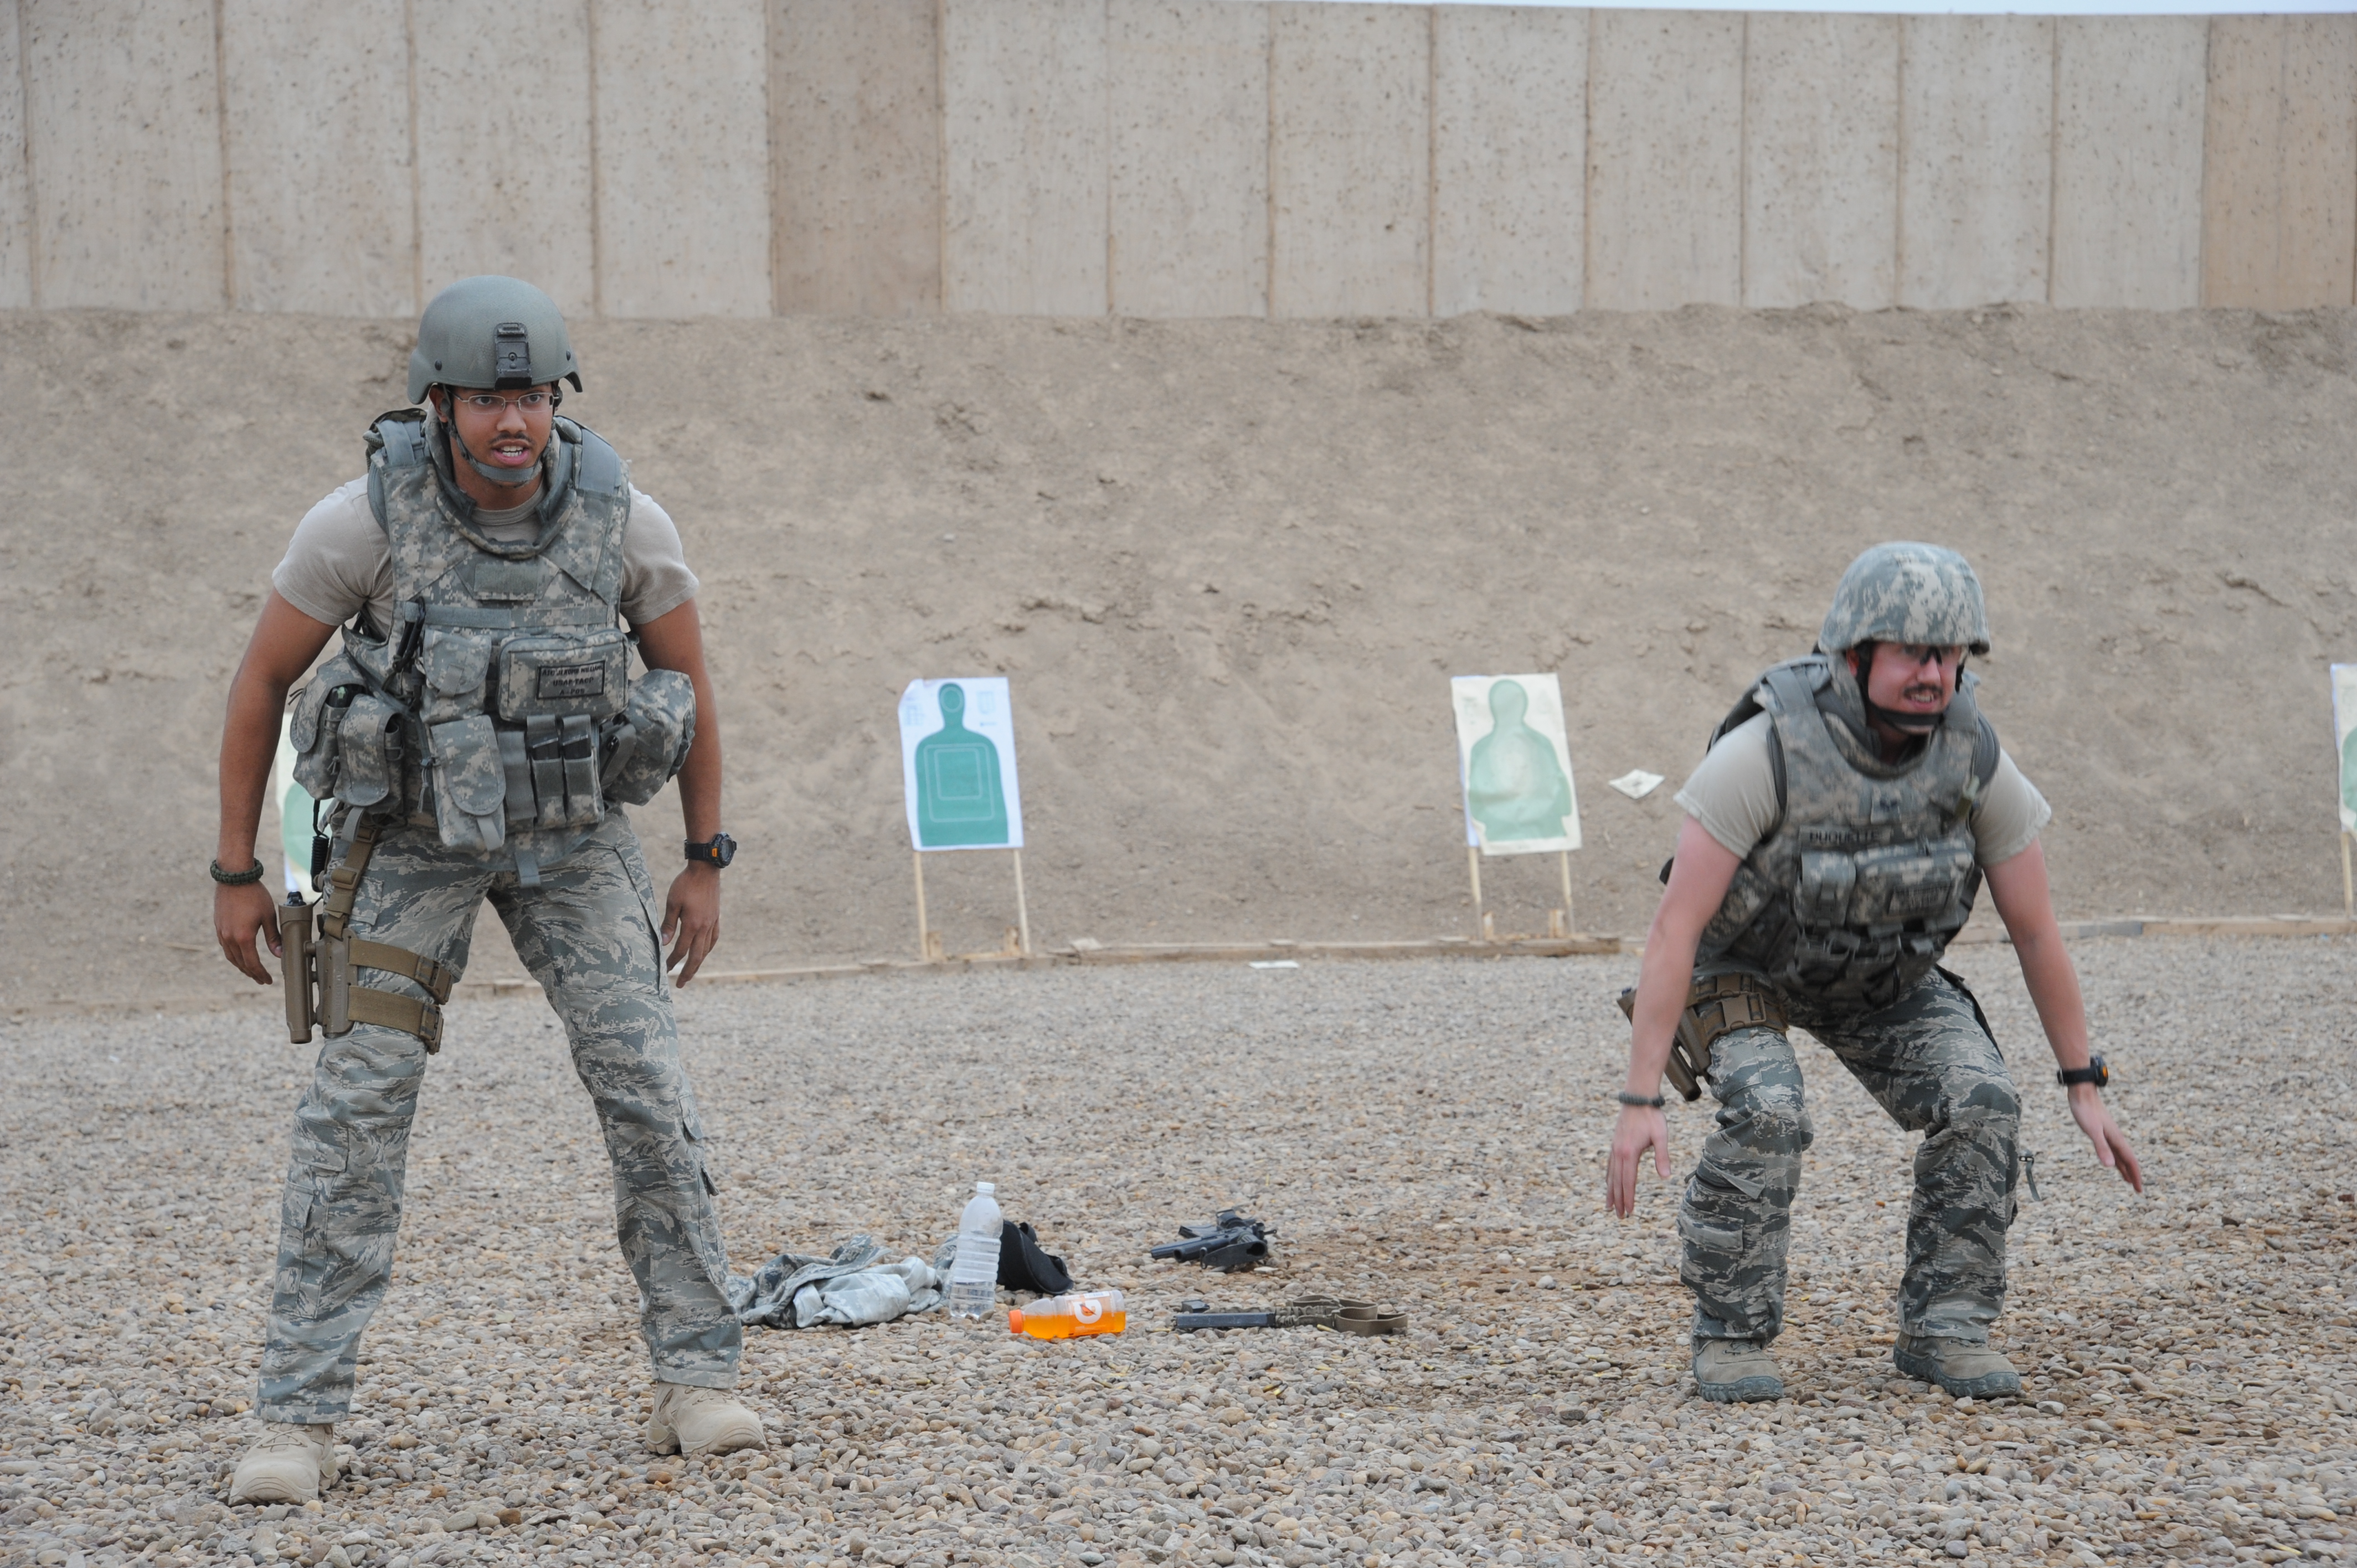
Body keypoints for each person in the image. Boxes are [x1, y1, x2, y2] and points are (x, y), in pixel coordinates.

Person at [209, 276, 759, 1503]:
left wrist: (704, 858)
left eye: (532, 394)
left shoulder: (625, 520)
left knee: (649, 1097)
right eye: (487, 398)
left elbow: (688, 685)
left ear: (555, 399)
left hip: (573, 846)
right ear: (441, 402)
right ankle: (295, 1418)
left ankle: (697, 1378)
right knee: (356, 1111)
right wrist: (239, 870)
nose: (513, 421)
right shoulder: (362, 523)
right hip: (410, 842)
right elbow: (259, 685)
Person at [1607, 542, 2142, 1404]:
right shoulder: (1766, 751)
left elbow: (2037, 932)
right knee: (1770, 1108)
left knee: (1983, 1102)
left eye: (1950, 653)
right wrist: (1640, 1100)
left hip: (1877, 970)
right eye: (1911, 653)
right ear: (1855, 656)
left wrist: (2084, 1083)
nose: (1934, 673)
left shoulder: (1974, 758)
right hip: (1748, 965)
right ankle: (1732, 1335)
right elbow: (1676, 930)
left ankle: (1946, 1327)